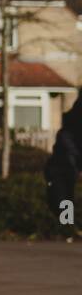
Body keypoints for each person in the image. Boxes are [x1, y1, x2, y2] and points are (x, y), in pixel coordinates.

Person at [45, 90, 82, 219]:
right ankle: (66, 225)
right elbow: (69, 151)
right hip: (63, 172)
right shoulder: (68, 133)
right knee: (65, 199)